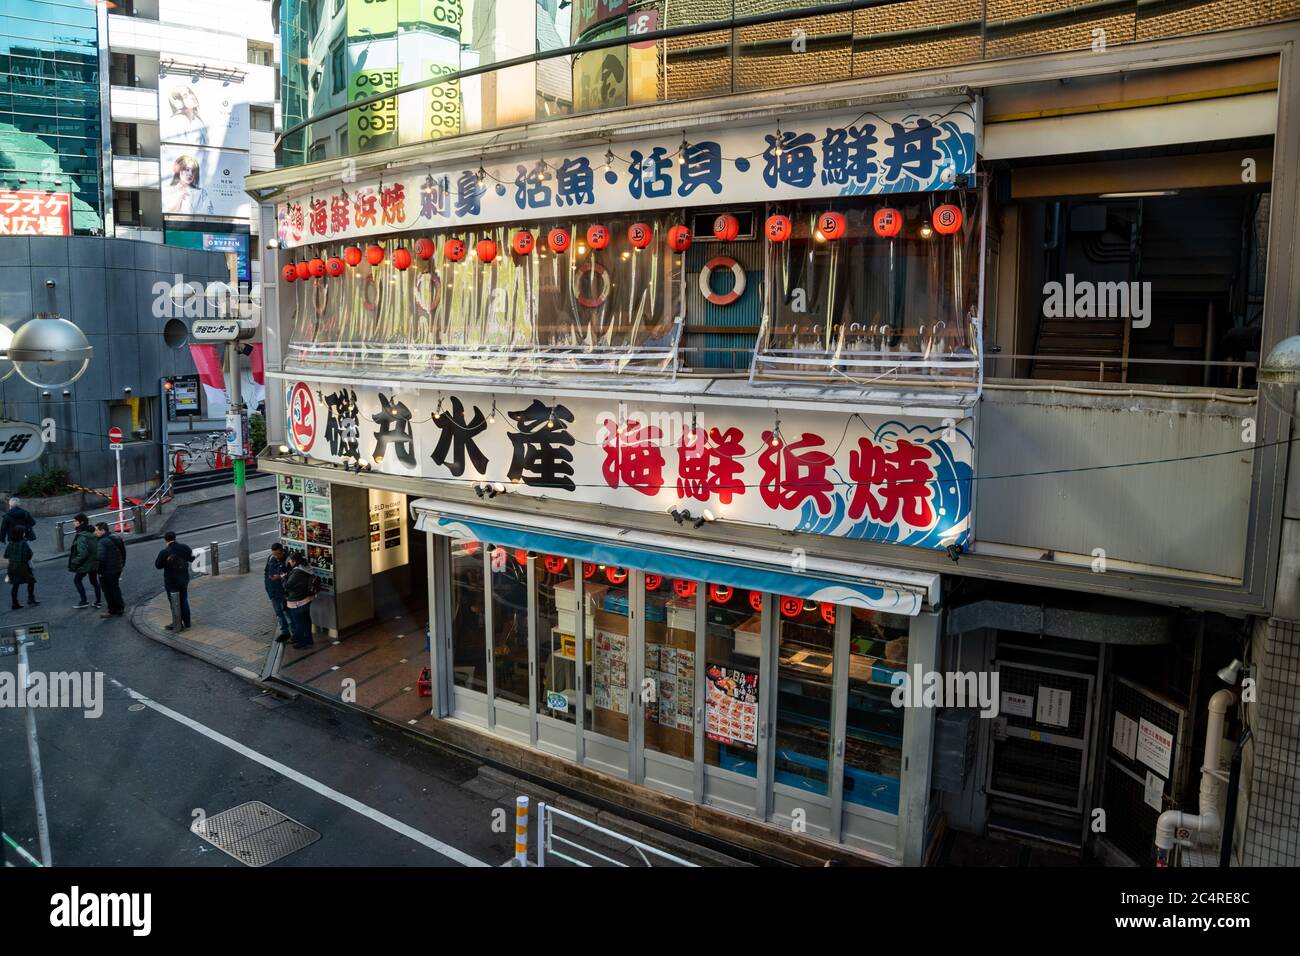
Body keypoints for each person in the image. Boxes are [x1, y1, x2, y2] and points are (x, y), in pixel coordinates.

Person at [154, 531, 194, 631]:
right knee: (184, 599)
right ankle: (187, 622)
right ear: (175, 538)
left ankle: (177, 623)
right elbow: (192, 558)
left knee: (174, 601)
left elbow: (158, 566)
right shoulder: (184, 547)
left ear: (165, 540)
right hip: (184, 578)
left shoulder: (164, 552)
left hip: (171, 580)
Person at [282, 553, 318, 649]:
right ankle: (309, 640)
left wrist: (284, 577)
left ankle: (302, 642)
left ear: (294, 561)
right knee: (306, 620)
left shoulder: (297, 572)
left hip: (297, 601)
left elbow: (287, 585)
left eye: (290, 560)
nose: (289, 561)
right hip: (307, 599)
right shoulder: (307, 567)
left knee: (299, 622)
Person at [67, 513, 101, 609]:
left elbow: (83, 553)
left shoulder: (81, 536)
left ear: (81, 522)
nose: (73, 523)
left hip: (85, 563)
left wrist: (74, 561)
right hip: (94, 562)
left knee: (77, 580)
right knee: (94, 582)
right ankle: (98, 602)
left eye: (75, 521)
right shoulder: (92, 533)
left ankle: (84, 601)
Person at [94, 522, 127, 617]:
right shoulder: (116, 538)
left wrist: (99, 572)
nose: (95, 532)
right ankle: (120, 608)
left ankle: (112, 609)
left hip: (107, 571)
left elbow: (101, 559)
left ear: (102, 530)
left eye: (97, 530)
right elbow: (123, 552)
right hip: (117, 568)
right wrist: (122, 565)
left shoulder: (102, 542)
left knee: (107, 590)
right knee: (115, 588)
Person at [264, 543, 293, 643]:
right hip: (273, 591)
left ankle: (293, 634)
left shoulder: (288, 560)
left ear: (282, 551)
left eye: (277, 554)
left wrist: (280, 576)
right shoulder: (271, 558)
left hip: (283, 592)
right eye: (274, 554)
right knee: (279, 613)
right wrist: (268, 588)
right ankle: (285, 632)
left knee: (287, 613)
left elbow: (290, 576)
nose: (276, 556)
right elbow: (267, 574)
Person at [5, 534, 37, 610]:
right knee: (31, 581)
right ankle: (31, 598)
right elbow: (29, 554)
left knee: (15, 585)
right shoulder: (23, 543)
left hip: (12, 566)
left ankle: (14, 603)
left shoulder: (10, 543)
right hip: (23, 565)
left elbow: (6, 555)